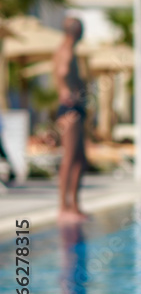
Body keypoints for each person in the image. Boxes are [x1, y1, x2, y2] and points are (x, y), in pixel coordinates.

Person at [53, 17, 88, 223]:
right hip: (70, 109)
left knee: (79, 160)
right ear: (76, 31)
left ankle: (74, 204)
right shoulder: (66, 50)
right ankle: (64, 206)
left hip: (73, 108)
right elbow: (63, 71)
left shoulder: (65, 49)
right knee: (69, 158)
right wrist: (68, 90)